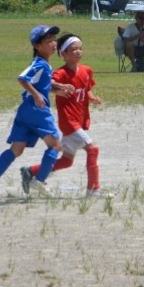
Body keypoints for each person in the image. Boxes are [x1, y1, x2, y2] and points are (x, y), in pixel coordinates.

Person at [0, 25, 74, 202]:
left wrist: (59, 88)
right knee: (55, 146)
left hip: (26, 111)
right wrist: (38, 95)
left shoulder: (44, 64)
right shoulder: (40, 63)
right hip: (37, 111)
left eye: (54, 40)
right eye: (48, 41)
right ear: (37, 46)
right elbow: (23, 78)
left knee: (17, 149)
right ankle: (39, 181)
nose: (54, 43)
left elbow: (42, 85)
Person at [21, 34, 104, 197]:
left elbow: (86, 88)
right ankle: (93, 189)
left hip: (78, 120)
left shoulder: (86, 70)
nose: (78, 52)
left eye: (80, 48)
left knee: (66, 161)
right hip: (68, 121)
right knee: (92, 149)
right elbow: (48, 84)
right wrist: (59, 87)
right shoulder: (61, 73)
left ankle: (31, 171)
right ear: (63, 54)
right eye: (73, 49)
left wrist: (92, 97)